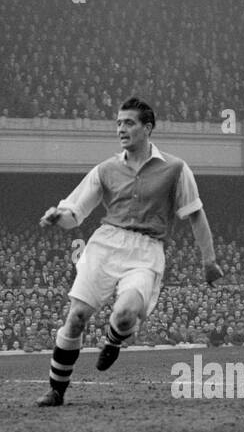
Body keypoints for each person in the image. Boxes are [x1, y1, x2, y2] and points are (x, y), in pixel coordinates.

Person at [35, 97, 223, 407]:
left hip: (146, 250)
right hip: (106, 244)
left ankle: (113, 339)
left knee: (124, 316)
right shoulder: (106, 169)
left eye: (129, 123)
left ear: (147, 128)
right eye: (119, 123)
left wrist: (209, 259)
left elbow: (195, 214)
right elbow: (75, 212)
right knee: (77, 316)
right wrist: (58, 216)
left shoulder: (175, 169)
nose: (122, 129)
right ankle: (56, 390)